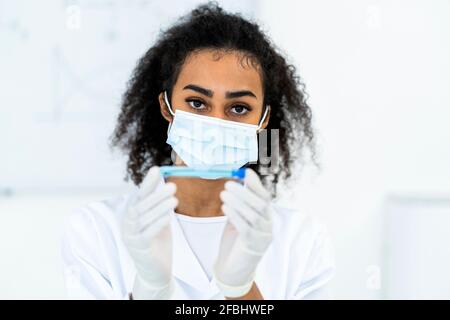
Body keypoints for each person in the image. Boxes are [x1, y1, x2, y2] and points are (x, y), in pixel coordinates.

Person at [60, 2, 335, 300]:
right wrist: (150, 289)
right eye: (197, 103)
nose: (215, 122)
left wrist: (241, 289)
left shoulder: (301, 241)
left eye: (238, 108)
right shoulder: (97, 231)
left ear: (262, 120)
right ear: (167, 106)